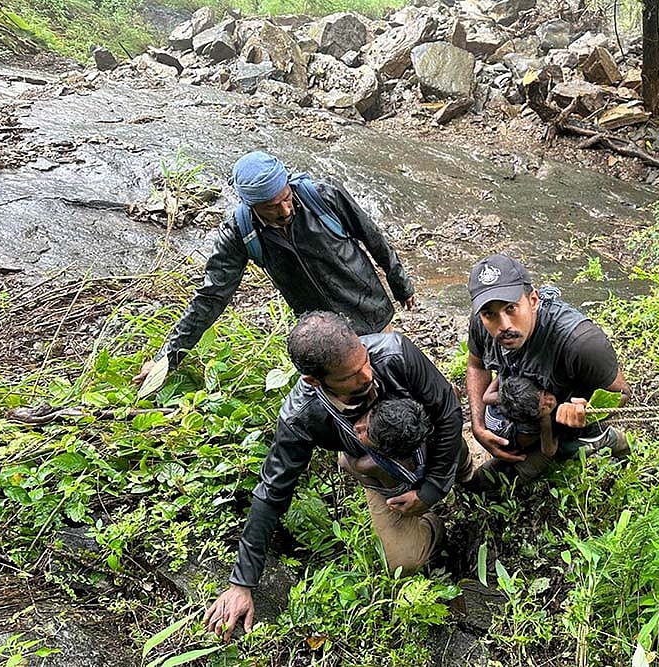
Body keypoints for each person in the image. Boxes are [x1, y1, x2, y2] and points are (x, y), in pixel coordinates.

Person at [203, 312, 469, 641]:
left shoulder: (394, 353)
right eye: (353, 376)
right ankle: (433, 525)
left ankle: (465, 474)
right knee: (404, 561)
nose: (368, 375)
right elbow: (271, 493)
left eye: (365, 361)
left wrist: (431, 488)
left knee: (457, 456)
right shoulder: (302, 417)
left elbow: (447, 411)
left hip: (424, 435)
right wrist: (241, 583)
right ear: (315, 381)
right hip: (374, 467)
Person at [133, 151, 416, 385]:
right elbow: (210, 297)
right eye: (271, 206)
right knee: (352, 389)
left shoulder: (323, 196)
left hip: (368, 309)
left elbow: (373, 237)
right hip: (322, 331)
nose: (284, 210)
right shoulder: (239, 234)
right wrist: (167, 359)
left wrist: (400, 282)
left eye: (286, 197)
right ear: (251, 205)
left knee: (394, 374)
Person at [465, 253, 633, 482]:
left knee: (568, 450)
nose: (503, 325)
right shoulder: (480, 323)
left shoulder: (580, 343)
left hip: (565, 426)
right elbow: (476, 365)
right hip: (522, 413)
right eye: (490, 314)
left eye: (511, 309)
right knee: (491, 482)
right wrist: (478, 425)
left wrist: (589, 411)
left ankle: (611, 439)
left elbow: (621, 394)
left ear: (533, 300)